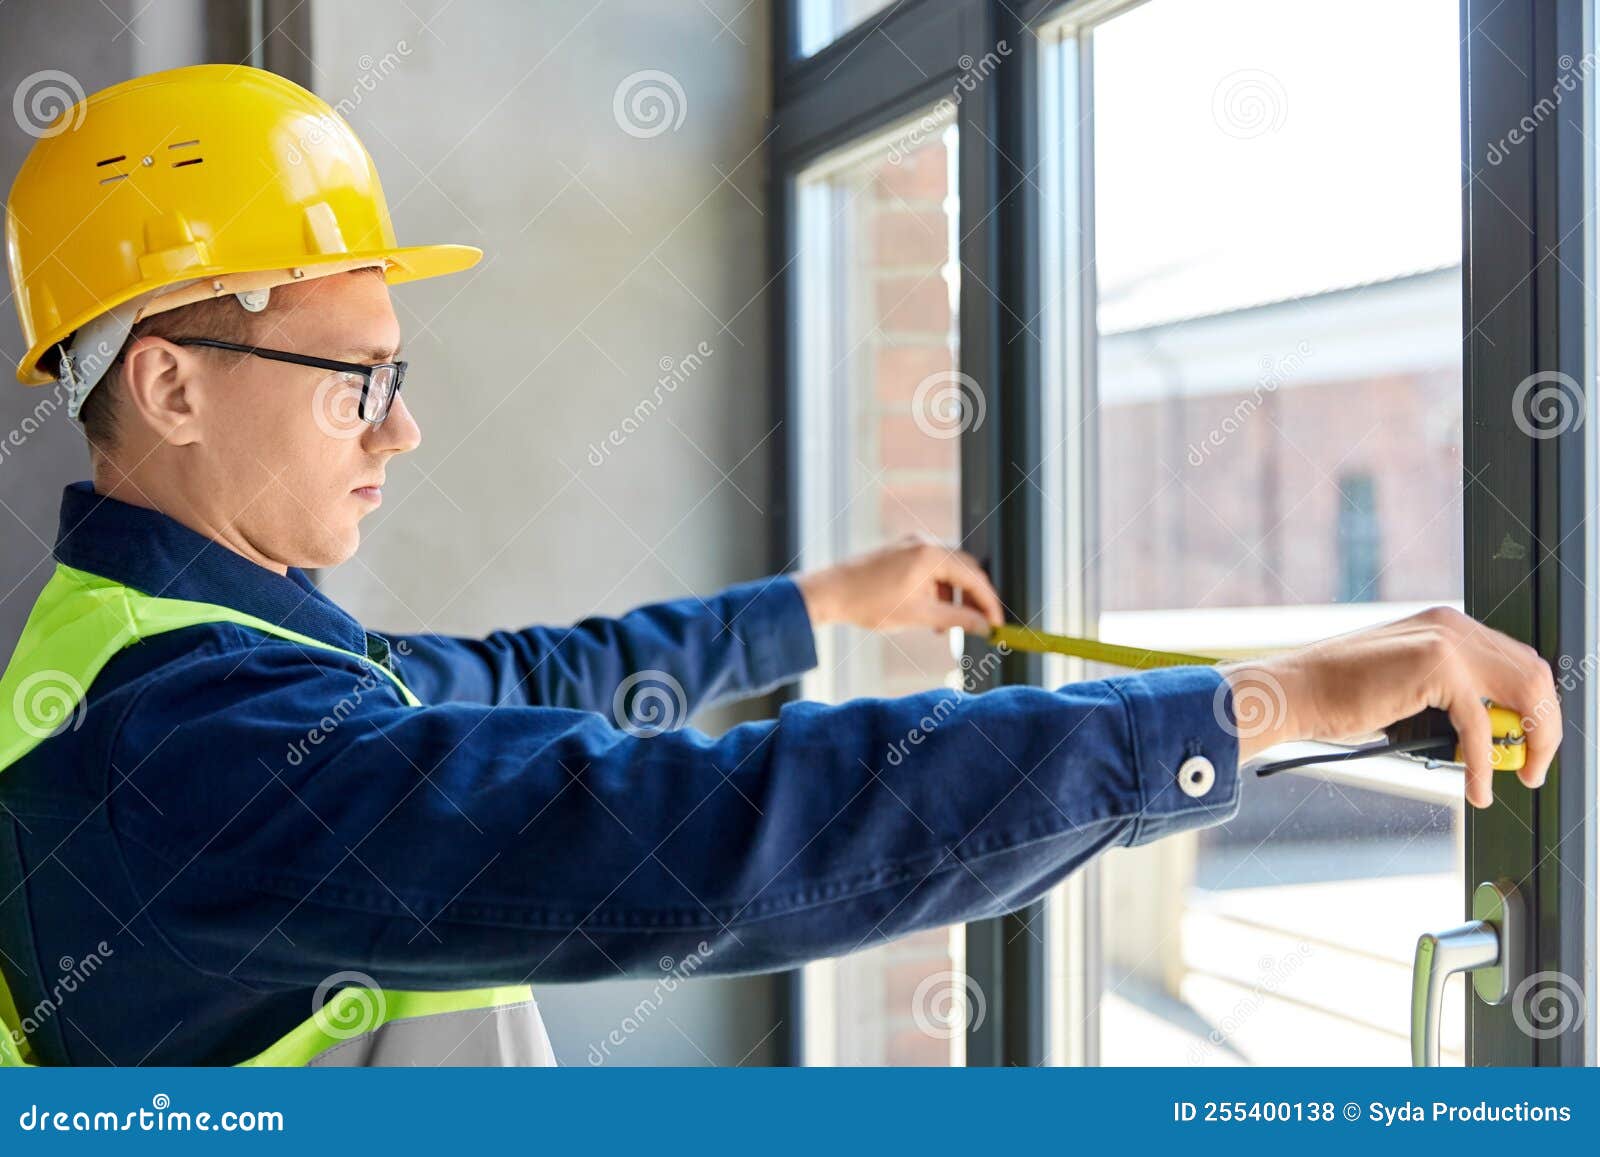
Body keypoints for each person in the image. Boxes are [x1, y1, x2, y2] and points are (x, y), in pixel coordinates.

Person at [0, 66, 1557, 1067]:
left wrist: (825, 603)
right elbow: (694, 838)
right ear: (173, 383)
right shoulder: (191, 751)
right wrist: (1258, 709)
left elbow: (528, 683)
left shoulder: (179, 646)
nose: (401, 434)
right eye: (361, 379)